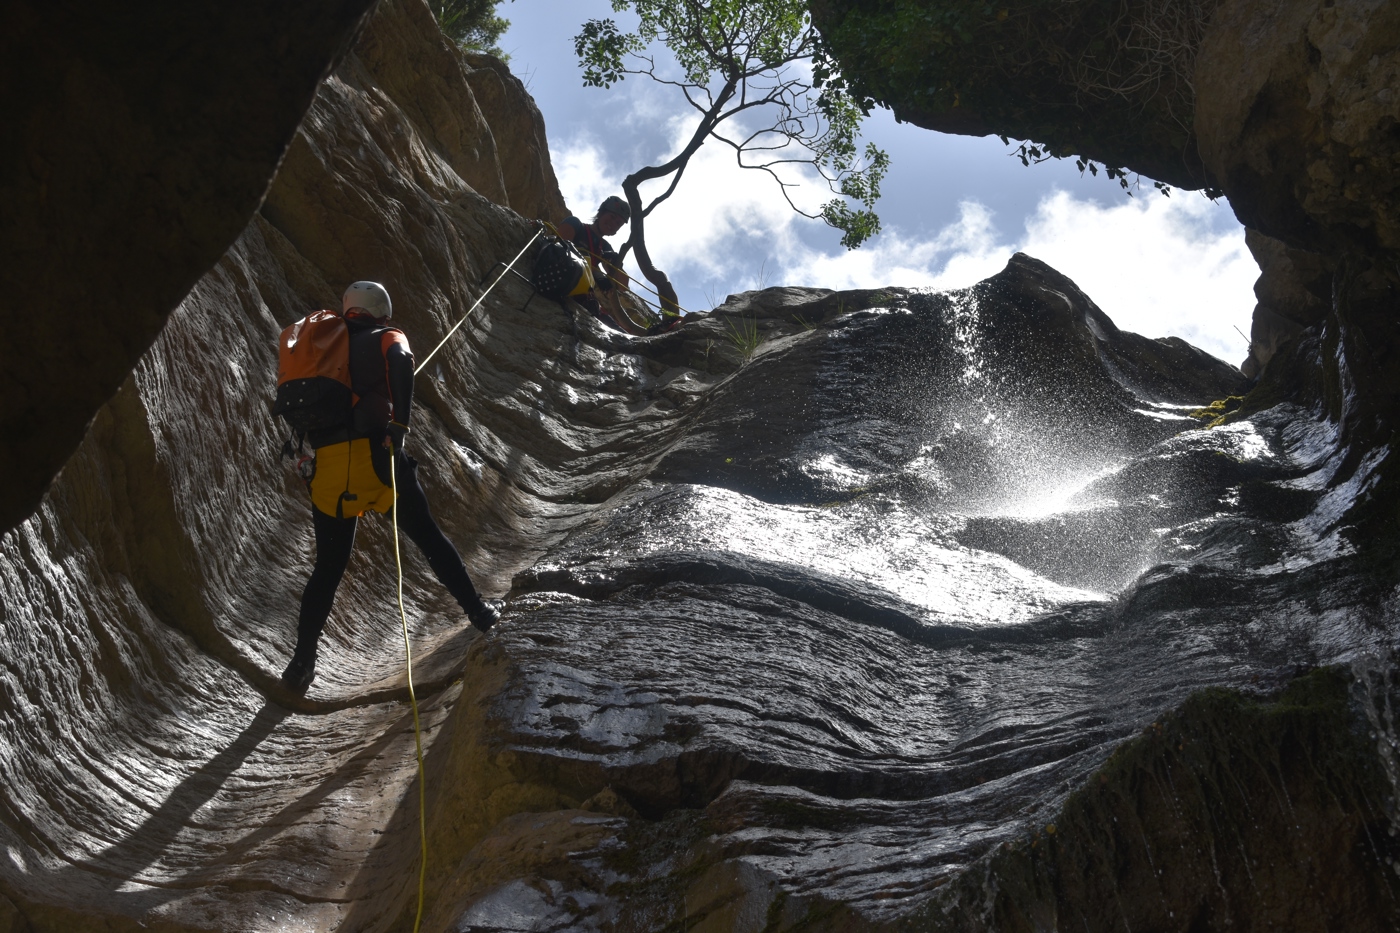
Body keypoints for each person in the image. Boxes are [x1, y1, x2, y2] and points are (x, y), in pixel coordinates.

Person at [281, 281, 500, 694]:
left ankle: (301, 664)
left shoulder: (319, 346)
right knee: (429, 538)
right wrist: (399, 424)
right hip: (378, 460)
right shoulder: (387, 335)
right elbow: (400, 361)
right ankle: (481, 613)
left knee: (327, 569)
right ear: (381, 310)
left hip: (327, 469)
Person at [555, 196, 636, 331]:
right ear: (601, 213)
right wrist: (597, 274)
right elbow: (559, 249)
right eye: (611, 217)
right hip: (561, 282)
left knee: (621, 333)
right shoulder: (575, 225)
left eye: (618, 223)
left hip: (584, 298)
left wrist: (616, 265)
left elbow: (622, 286)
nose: (613, 224)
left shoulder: (604, 247)